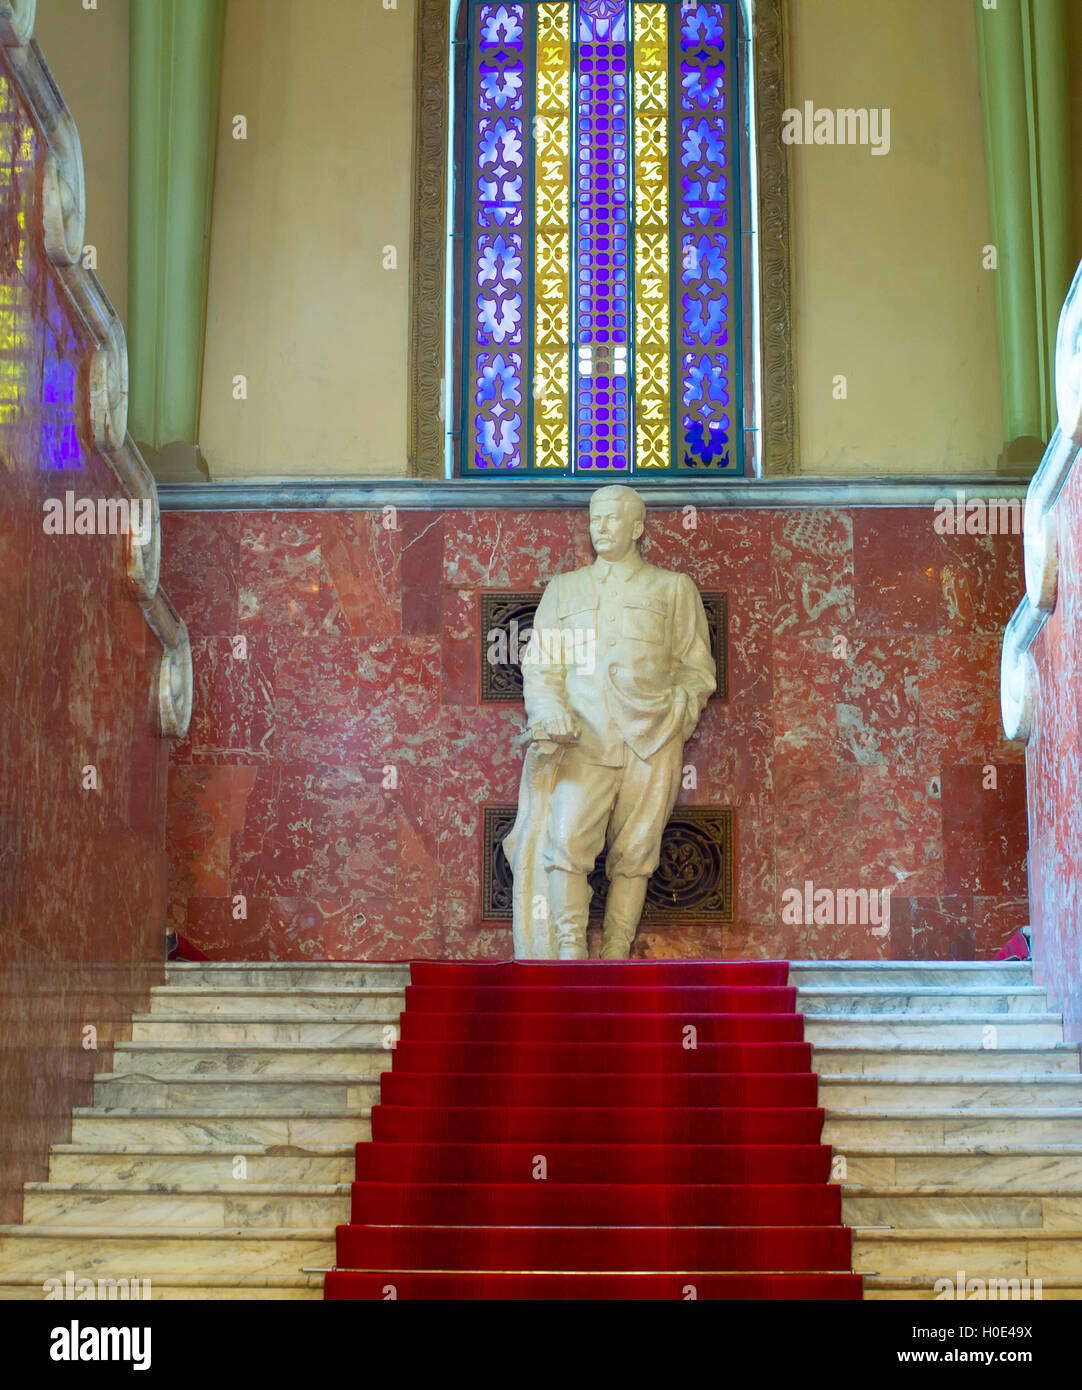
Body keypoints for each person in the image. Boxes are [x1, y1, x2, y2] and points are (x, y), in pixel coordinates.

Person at [503, 484, 716, 960]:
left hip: (652, 738)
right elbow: (542, 666)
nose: (600, 527)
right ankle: (568, 949)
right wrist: (548, 710)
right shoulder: (565, 588)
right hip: (582, 739)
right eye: (595, 519)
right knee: (567, 841)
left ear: (637, 528)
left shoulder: (672, 588)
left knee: (637, 852)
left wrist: (678, 714)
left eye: (611, 519)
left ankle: (617, 951)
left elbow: (696, 669)